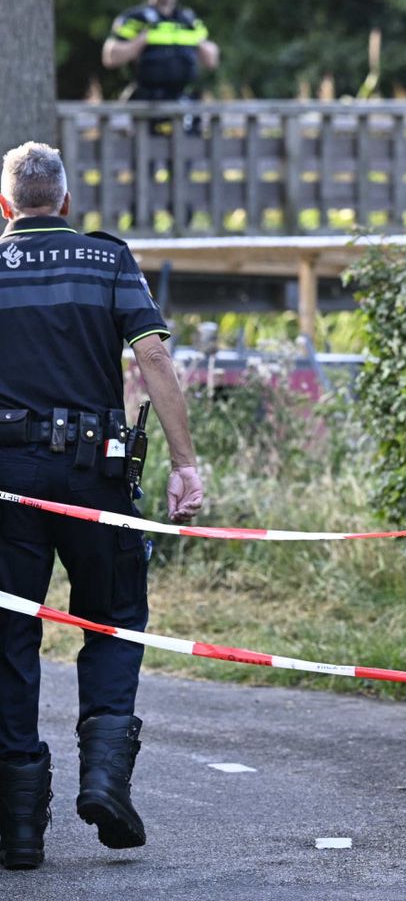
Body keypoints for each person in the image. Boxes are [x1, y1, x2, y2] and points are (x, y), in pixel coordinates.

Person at [0, 142, 203, 870]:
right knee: (113, 620)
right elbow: (153, 361)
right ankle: (104, 782)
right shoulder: (108, 260)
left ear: (5, 206)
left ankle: (18, 830)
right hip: (95, 478)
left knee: (10, 638)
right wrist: (185, 465)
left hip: (9, 486)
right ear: (64, 203)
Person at [102, 0, 219, 127]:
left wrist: (199, 41)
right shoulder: (136, 18)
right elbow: (110, 57)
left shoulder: (188, 19)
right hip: (147, 104)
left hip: (184, 103)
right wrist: (142, 40)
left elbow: (212, 60)